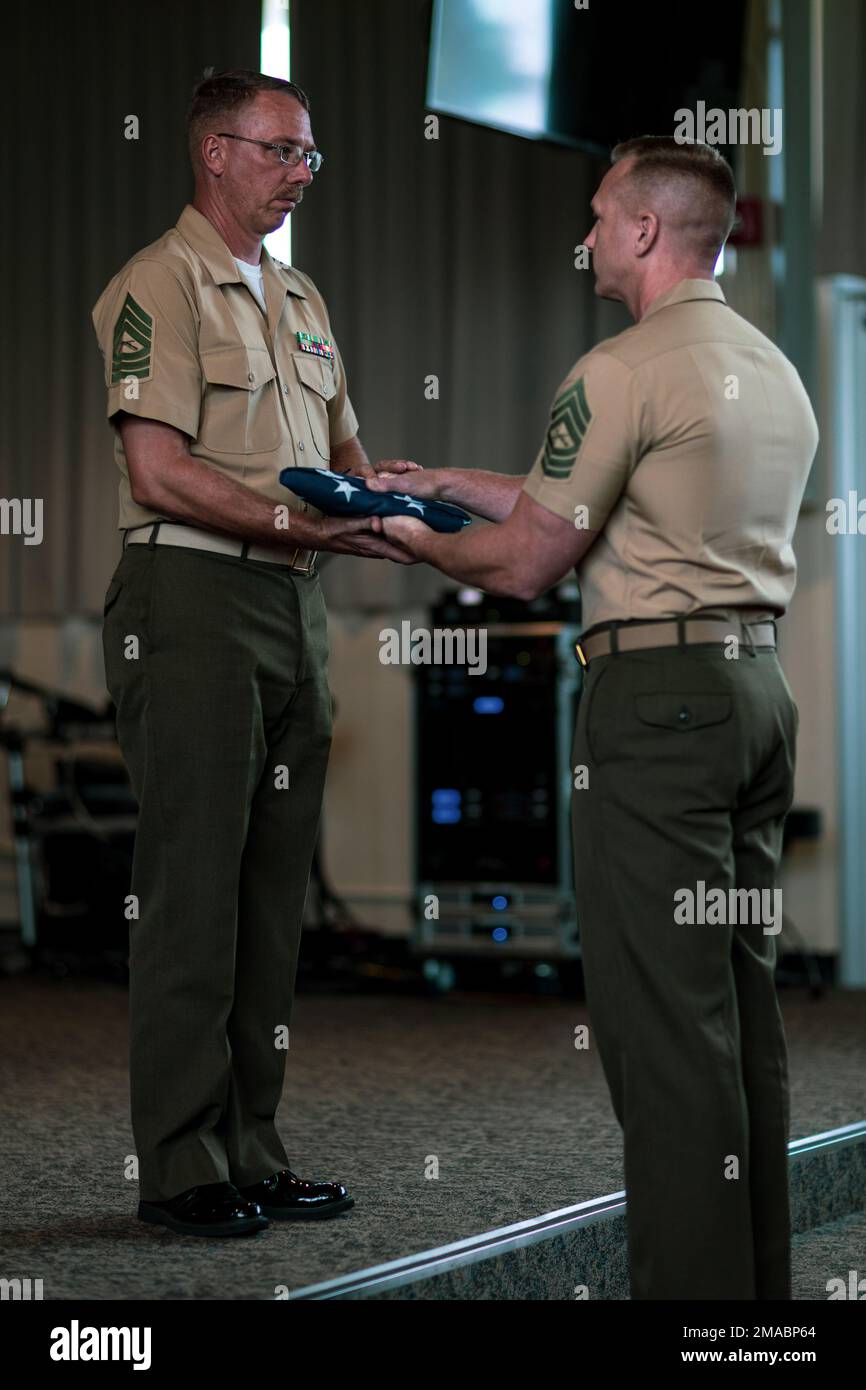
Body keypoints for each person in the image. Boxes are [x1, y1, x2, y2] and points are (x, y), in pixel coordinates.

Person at [372, 136, 819, 1300]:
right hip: (751, 698)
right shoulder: (767, 368)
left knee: (661, 1029)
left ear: (639, 233)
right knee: (733, 1008)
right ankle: (752, 1301)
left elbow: (526, 563)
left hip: (655, 710)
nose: (583, 234)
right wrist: (448, 483)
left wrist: (410, 534)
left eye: (595, 214)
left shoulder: (617, 367)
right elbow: (590, 495)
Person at [93, 68, 414, 1238]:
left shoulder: (303, 297)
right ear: (213, 154)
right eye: (281, 151)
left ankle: (250, 1146)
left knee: (271, 899)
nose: (300, 173)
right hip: (188, 597)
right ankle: (181, 1166)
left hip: (292, 607)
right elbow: (159, 471)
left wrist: (414, 507)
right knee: (193, 897)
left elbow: (344, 455)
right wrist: (305, 524)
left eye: (310, 156)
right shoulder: (155, 285)